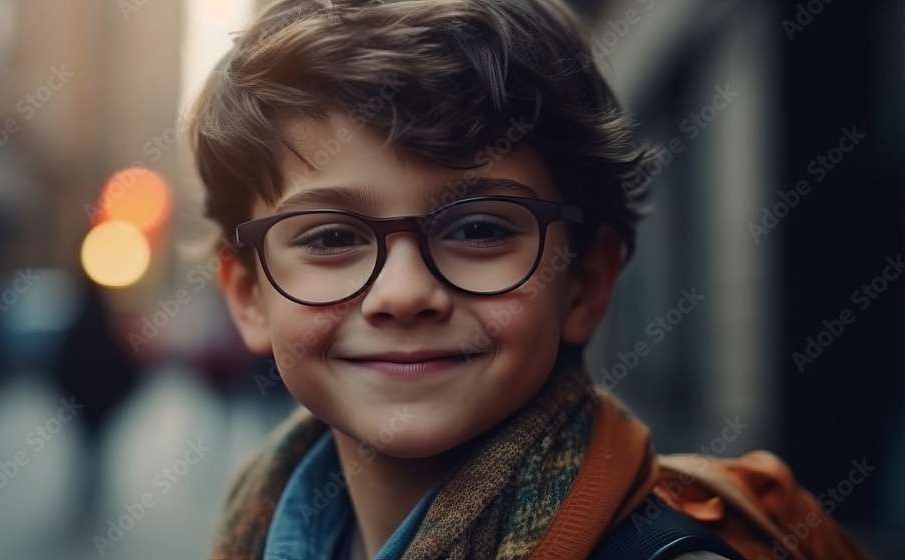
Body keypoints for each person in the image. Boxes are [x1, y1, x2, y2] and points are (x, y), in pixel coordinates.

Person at [188, 0, 870, 558]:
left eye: (479, 229)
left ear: (586, 281)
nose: (401, 294)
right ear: (249, 295)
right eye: (332, 238)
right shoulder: (261, 531)